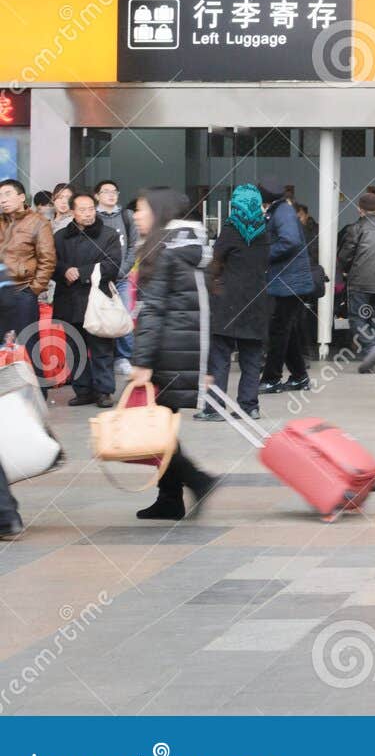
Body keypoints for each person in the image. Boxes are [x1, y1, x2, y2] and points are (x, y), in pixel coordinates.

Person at [126, 187, 218, 521]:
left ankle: (197, 479)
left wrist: (142, 361)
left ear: (159, 211)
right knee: (161, 425)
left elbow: (153, 309)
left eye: (141, 209)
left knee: (154, 428)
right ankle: (170, 498)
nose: (136, 216)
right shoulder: (189, 247)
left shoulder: (164, 249)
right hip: (184, 349)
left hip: (166, 352)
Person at [195, 184, 272, 423]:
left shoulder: (230, 229)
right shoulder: (265, 232)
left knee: (220, 356)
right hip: (256, 300)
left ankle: (214, 408)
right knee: (251, 357)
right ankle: (249, 407)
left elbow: (216, 262)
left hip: (227, 300)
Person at [51, 192, 121, 407]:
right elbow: (51, 263)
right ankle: (83, 391)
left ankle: (104, 391)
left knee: (101, 348)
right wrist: (64, 271)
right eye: (82, 210)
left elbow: (112, 265)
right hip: (68, 300)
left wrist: (81, 272)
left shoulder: (108, 235)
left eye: (91, 209)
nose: (88, 214)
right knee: (75, 348)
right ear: (72, 212)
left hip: (97, 299)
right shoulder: (60, 236)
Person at [258, 177, 313, 394]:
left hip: (288, 281)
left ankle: (272, 378)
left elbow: (290, 241)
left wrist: (265, 255)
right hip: (289, 281)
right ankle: (299, 376)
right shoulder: (281, 210)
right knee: (286, 330)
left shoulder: (282, 213)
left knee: (279, 331)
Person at [0, 179, 55, 373]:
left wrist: (33, 290)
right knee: (3, 344)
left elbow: (48, 260)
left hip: (22, 291)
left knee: (27, 342)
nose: (2, 199)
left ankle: (36, 387)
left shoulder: (38, 222)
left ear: (22, 197)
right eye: (0, 196)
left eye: (7, 194)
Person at [338, 191, 375, 374]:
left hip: (360, 282)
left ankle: (371, 349)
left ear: (359, 209)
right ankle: (372, 363)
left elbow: (345, 256)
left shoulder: (356, 228)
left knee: (357, 318)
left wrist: (346, 270)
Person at [94, 180, 139, 374]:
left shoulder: (126, 216)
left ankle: (124, 357)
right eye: (106, 191)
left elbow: (134, 246)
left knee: (124, 317)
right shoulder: (92, 216)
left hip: (121, 278)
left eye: (114, 191)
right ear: (97, 196)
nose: (111, 195)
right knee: (100, 318)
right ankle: (103, 360)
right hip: (99, 278)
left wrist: (122, 270)